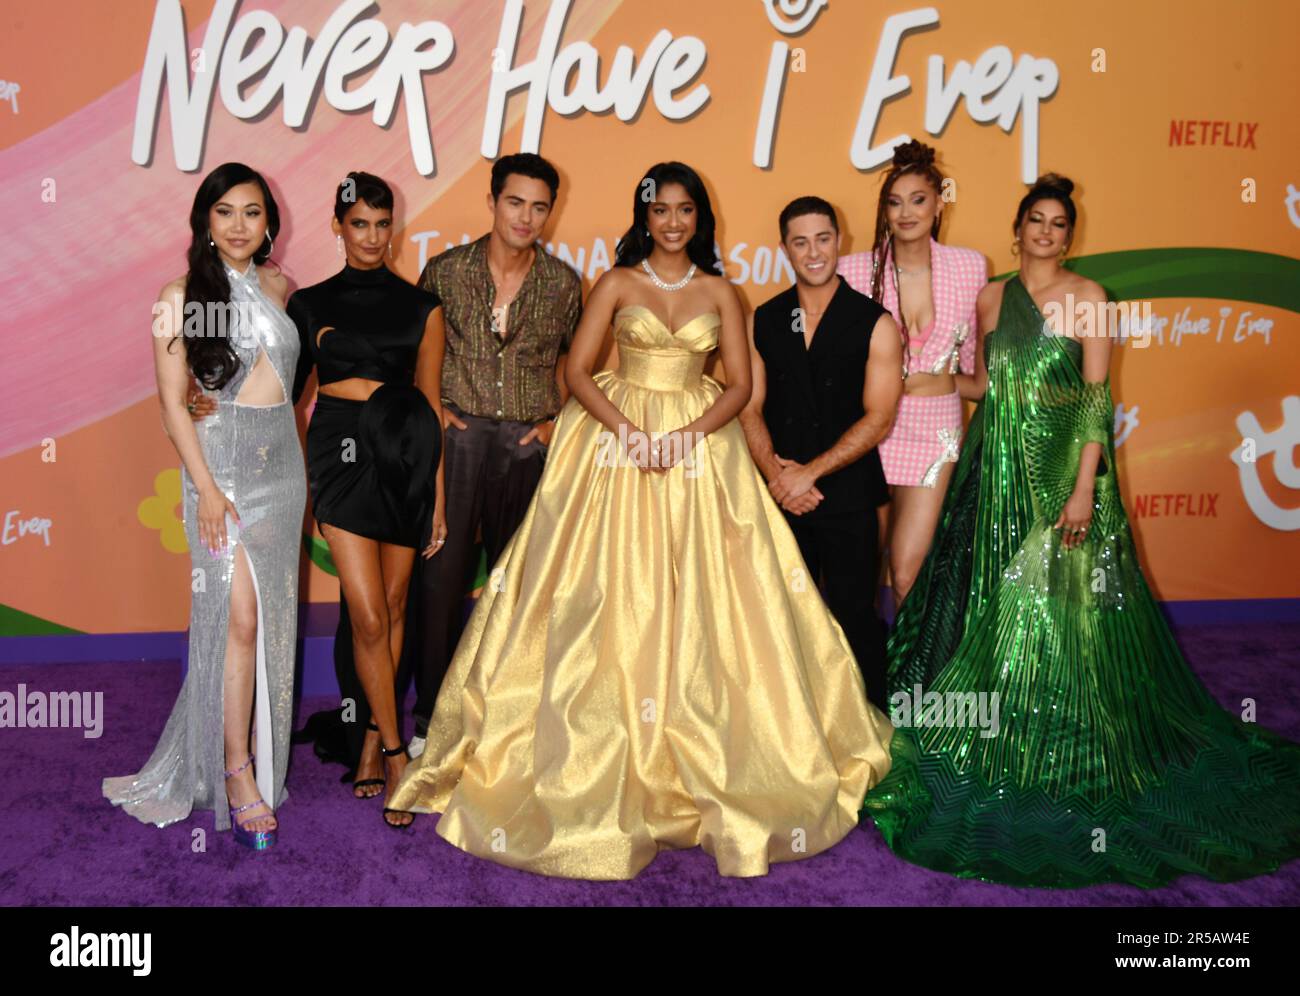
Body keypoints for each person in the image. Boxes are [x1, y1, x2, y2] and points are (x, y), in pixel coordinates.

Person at [387, 162, 894, 880]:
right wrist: (626, 428)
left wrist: (688, 434)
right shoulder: (617, 283)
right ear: (645, 216)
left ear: (699, 219)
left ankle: (717, 751)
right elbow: (579, 372)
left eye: (686, 210)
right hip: (615, 446)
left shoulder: (724, 291)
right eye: (661, 210)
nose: (674, 222)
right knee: (599, 595)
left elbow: (743, 384)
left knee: (715, 600)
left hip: (699, 446)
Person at [861, 173, 1300, 887]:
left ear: (1071, 236)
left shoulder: (1090, 300)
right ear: (1017, 228)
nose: (1047, 233)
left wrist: (1082, 491)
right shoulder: (991, 296)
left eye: (1060, 225)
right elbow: (985, 384)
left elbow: (1097, 397)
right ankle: (993, 714)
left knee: (1062, 610)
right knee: (993, 605)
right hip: (994, 468)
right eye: (1036, 220)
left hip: (1061, 474)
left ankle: (1065, 732)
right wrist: (929, 379)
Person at [104, 163, 306, 850]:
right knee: (239, 617)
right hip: (216, 468)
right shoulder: (179, 294)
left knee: (265, 618)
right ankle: (236, 768)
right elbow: (171, 402)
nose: (240, 226)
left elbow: (284, 381)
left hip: (283, 465)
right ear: (205, 221)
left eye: (252, 212)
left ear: (268, 221)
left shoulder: (282, 286)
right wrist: (209, 491)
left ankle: (247, 752)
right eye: (225, 212)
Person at [286, 172, 446, 828]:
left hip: (405, 452)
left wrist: (433, 496)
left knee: (398, 604)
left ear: (394, 229)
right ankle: (395, 747)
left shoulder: (422, 308)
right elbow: (289, 396)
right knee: (369, 615)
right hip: (340, 449)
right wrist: (300, 484)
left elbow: (432, 405)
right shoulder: (310, 303)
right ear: (338, 226)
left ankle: (374, 741)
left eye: (383, 224)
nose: (373, 237)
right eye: (360, 224)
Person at [410, 152, 581, 757]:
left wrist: (557, 422)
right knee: (440, 581)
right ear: (492, 201)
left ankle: (508, 718)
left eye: (539, 206)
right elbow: (419, 354)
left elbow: (574, 365)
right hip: (457, 444)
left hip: (527, 448)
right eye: (515, 202)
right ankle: (431, 717)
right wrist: (437, 414)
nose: (526, 216)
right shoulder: (445, 271)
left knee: (520, 588)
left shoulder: (563, 284)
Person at [740, 196, 902, 706]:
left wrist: (808, 474)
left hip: (849, 495)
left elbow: (878, 417)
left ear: (839, 240)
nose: (814, 252)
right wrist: (776, 475)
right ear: (785, 247)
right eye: (801, 241)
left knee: (855, 614)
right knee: (782, 615)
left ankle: (874, 726)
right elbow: (748, 405)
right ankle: (791, 733)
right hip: (779, 494)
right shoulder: (763, 319)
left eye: (823, 239)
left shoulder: (874, 323)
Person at [838, 140, 987, 605]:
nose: (906, 213)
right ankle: (854, 672)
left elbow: (976, 378)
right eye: (894, 202)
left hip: (935, 432)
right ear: (884, 210)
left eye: (918, 200)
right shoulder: (855, 271)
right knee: (859, 569)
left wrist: (945, 382)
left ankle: (908, 675)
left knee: (908, 571)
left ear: (939, 202)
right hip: (868, 429)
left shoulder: (969, 267)